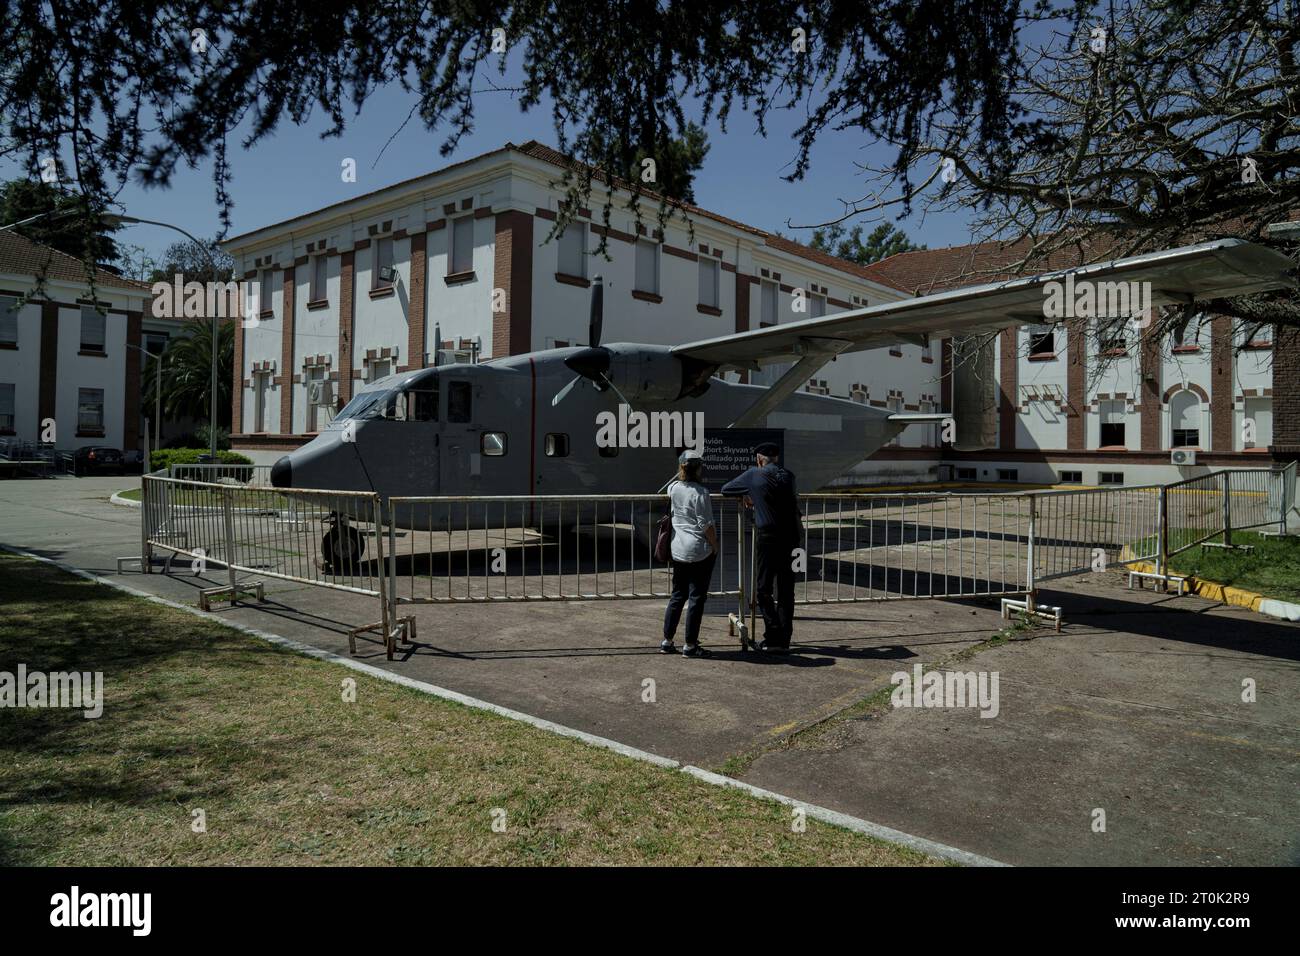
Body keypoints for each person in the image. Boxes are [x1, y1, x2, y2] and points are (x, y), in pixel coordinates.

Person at [721, 442, 801, 653]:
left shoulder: (753, 475)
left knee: (764, 589)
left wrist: (749, 495)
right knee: (786, 590)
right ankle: (784, 640)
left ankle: (773, 636)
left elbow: (726, 489)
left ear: (759, 459)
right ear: (776, 458)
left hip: (769, 538)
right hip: (793, 538)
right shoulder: (790, 476)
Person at [661, 449, 719, 658]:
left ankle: (667, 640)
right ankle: (690, 645)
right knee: (696, 598)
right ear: (699, 469)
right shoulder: (701, 493)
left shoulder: (673, 488)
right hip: (698, 551)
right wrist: (715, 545)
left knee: (677, 595)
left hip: (678, 550)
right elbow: (706, 524)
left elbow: (671, 490)